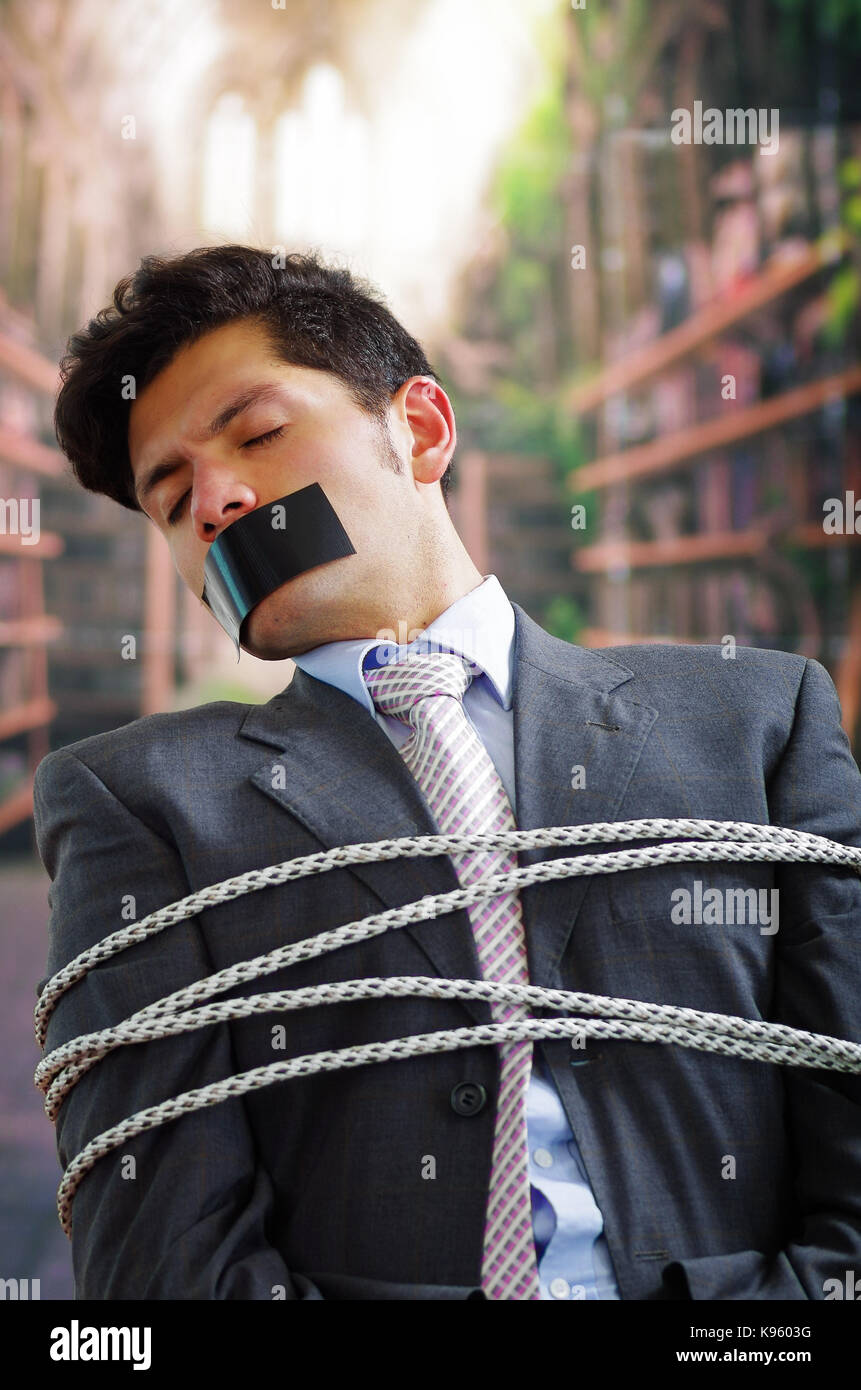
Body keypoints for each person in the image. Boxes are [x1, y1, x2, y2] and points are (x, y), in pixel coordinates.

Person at [34, 245, 861, 1301]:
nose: (217, 499)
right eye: (170, 493)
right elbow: (164, 1263)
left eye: (258, 433)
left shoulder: (758, 719)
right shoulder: (137, 800)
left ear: (420, 430)